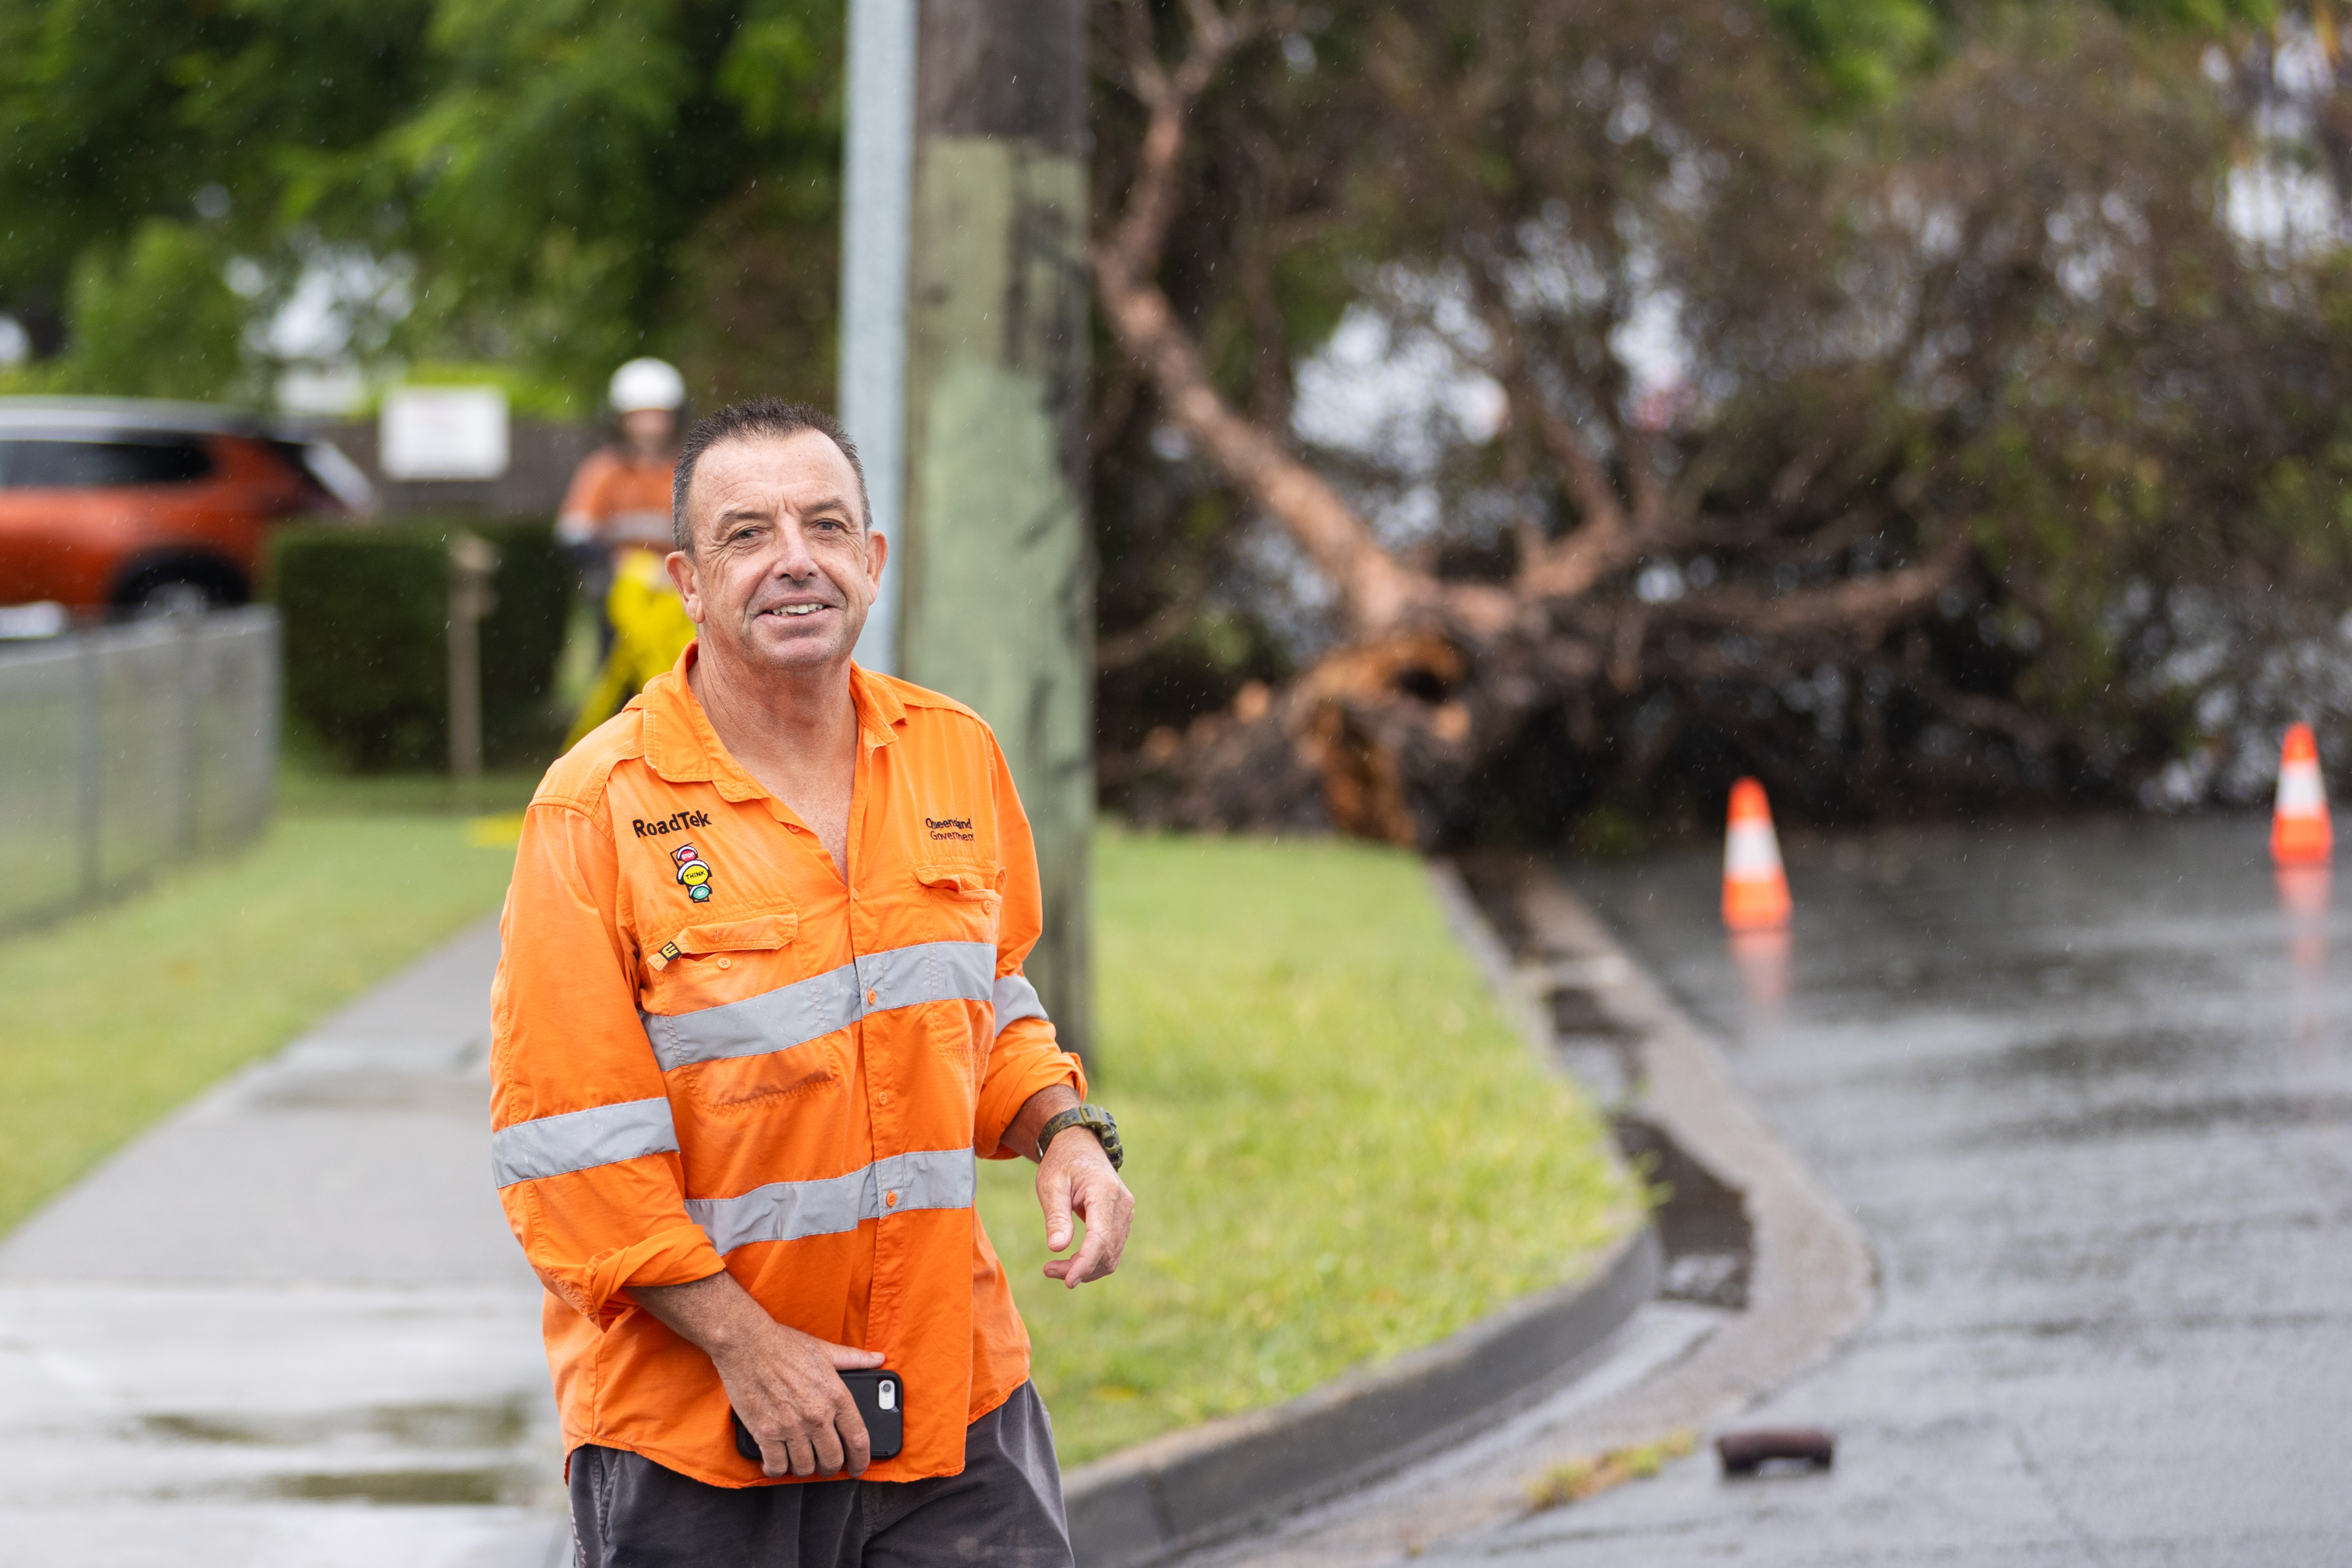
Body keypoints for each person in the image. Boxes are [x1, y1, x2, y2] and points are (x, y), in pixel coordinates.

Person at [491, 398, 1133, 1567]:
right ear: (685, 579)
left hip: (952, 1403)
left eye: (825, 525)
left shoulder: (955, 753)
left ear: (870, 561)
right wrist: (749, 1346)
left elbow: (986, 998)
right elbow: (571, 1154)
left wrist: (1064, 1129)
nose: (795, 558)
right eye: (747, 534)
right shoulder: (597, 810)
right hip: (701, 1438)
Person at [560, 358, 697, 741]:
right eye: (640, 415)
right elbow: (573, 538)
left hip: (682, 605)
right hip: (620, 606)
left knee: (688, 685)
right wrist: (627, 566)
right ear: (620, 418)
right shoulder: (602, 471)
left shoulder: (691, 471)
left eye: (658, 414)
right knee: (617, 693)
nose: (649, 425)